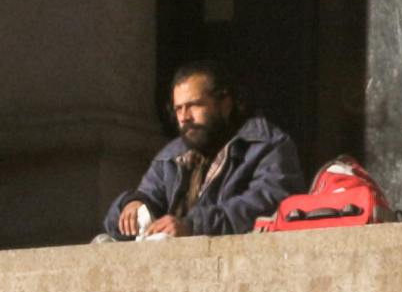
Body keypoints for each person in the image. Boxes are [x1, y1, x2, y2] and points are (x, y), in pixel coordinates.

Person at [102, 70, 297, 239]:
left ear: (225, 104)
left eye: (194, 105)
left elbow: (266, 204)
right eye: (178, 108)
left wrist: (192, 226)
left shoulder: (266, 146)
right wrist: (133, 205)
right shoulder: (170, 157)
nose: (184, 117)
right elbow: (146, 198)